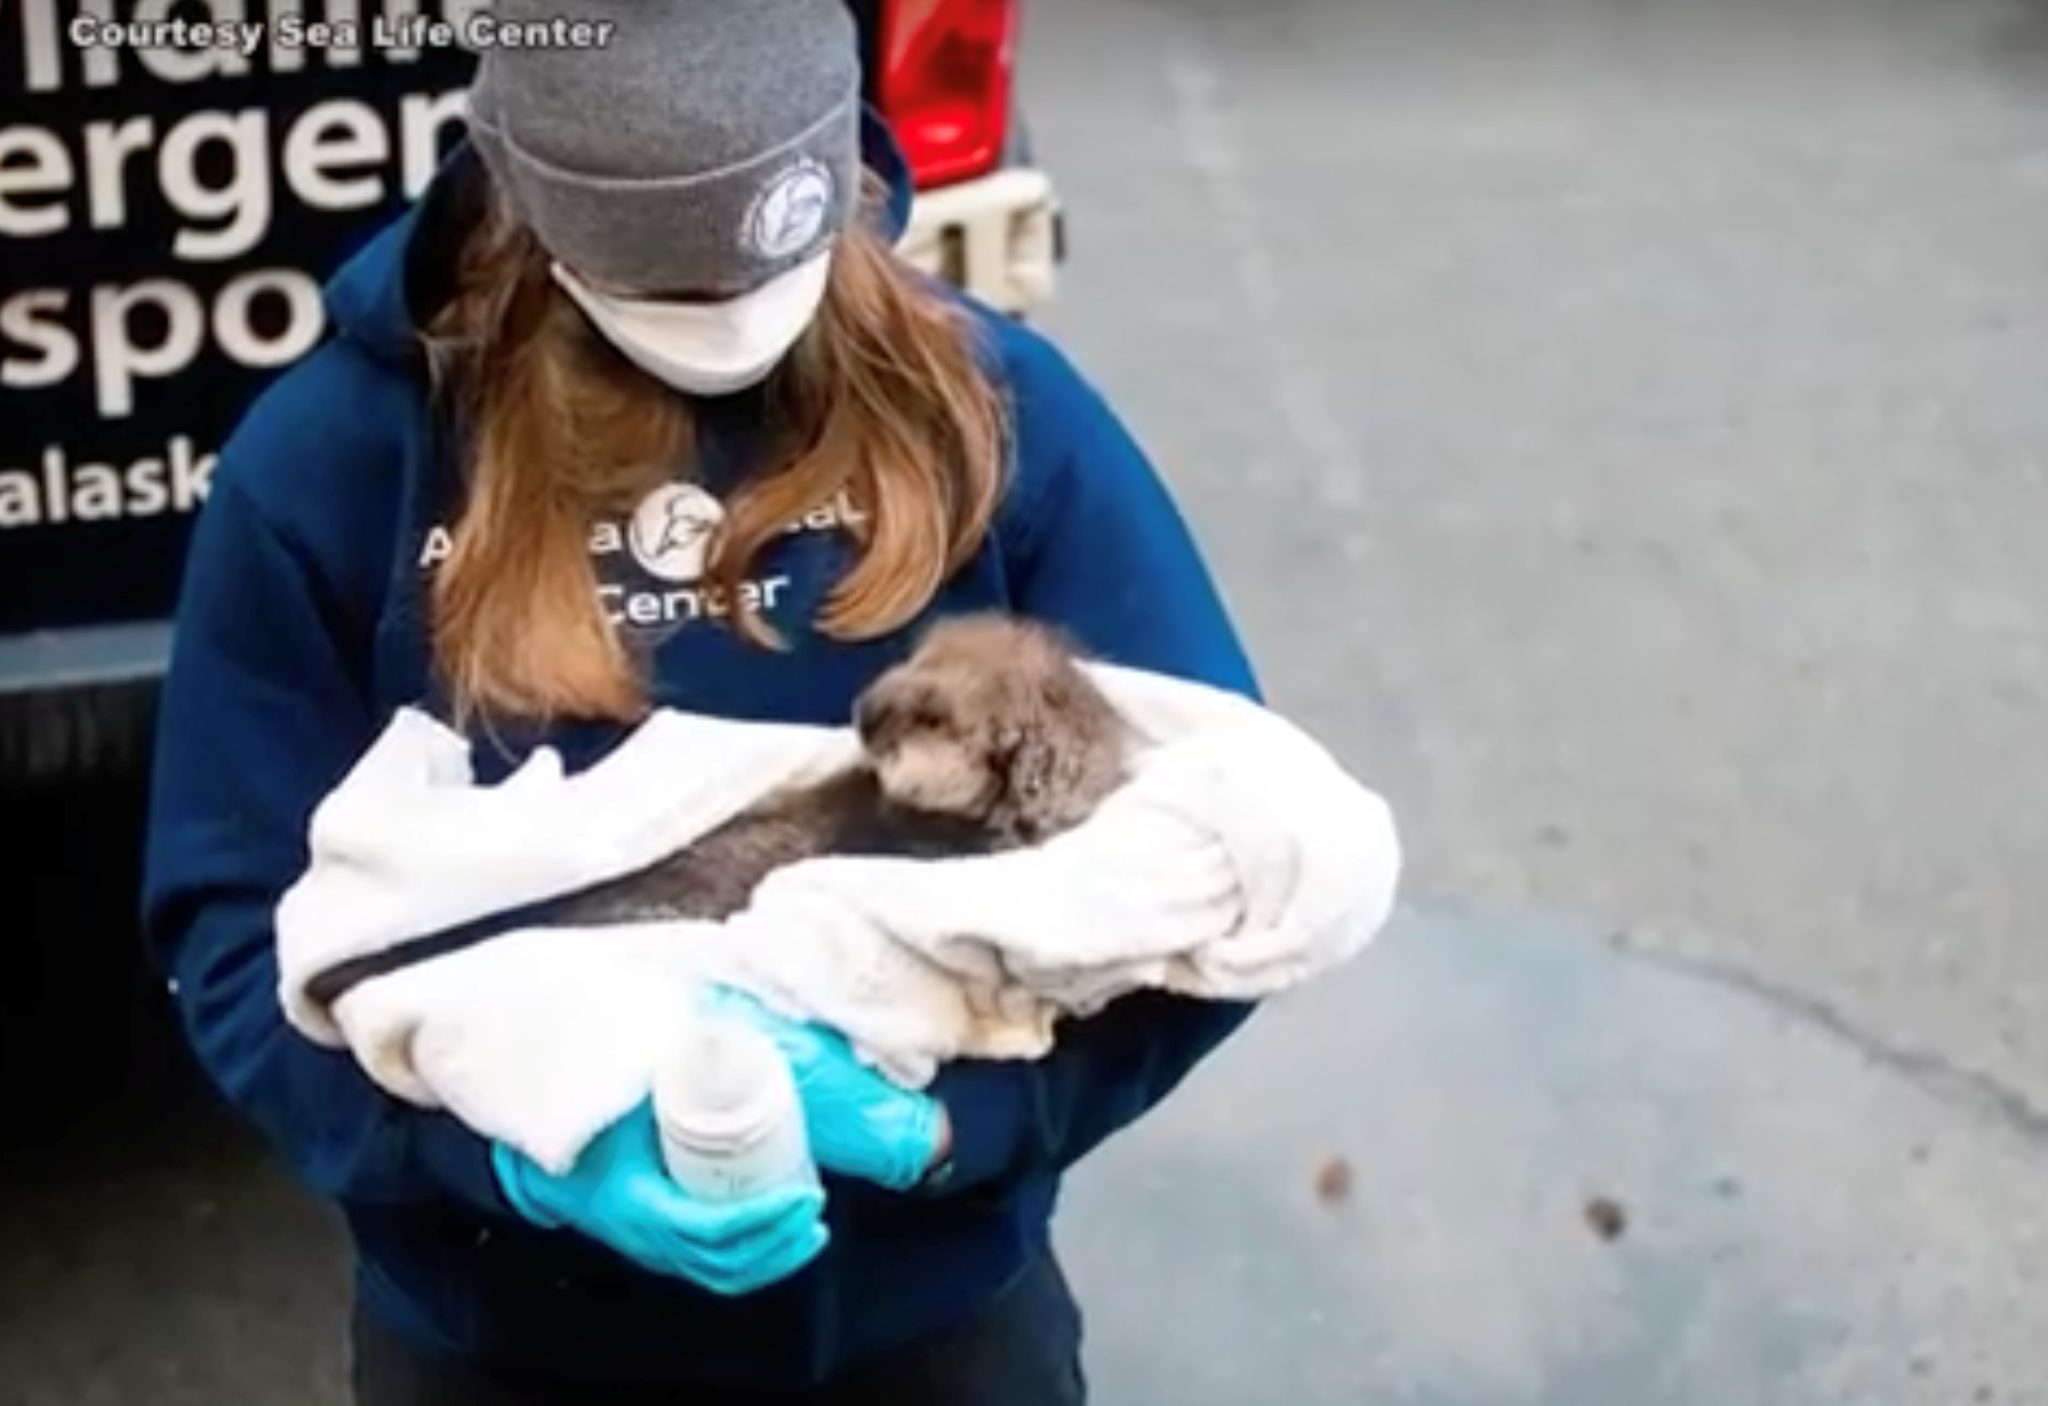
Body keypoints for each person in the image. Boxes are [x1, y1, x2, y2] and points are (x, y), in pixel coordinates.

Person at [140, 0, 1265, 1401]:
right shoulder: (343, 463)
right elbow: (230, 923)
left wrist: (958, 1124)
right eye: (669, 288)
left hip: (930, 1337)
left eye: (771, 263)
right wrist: (504, 1155)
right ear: (534, 197)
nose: (728, 326)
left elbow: (1231, 858)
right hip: (506, 1344)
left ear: (842, 176)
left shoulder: (1000, 421)